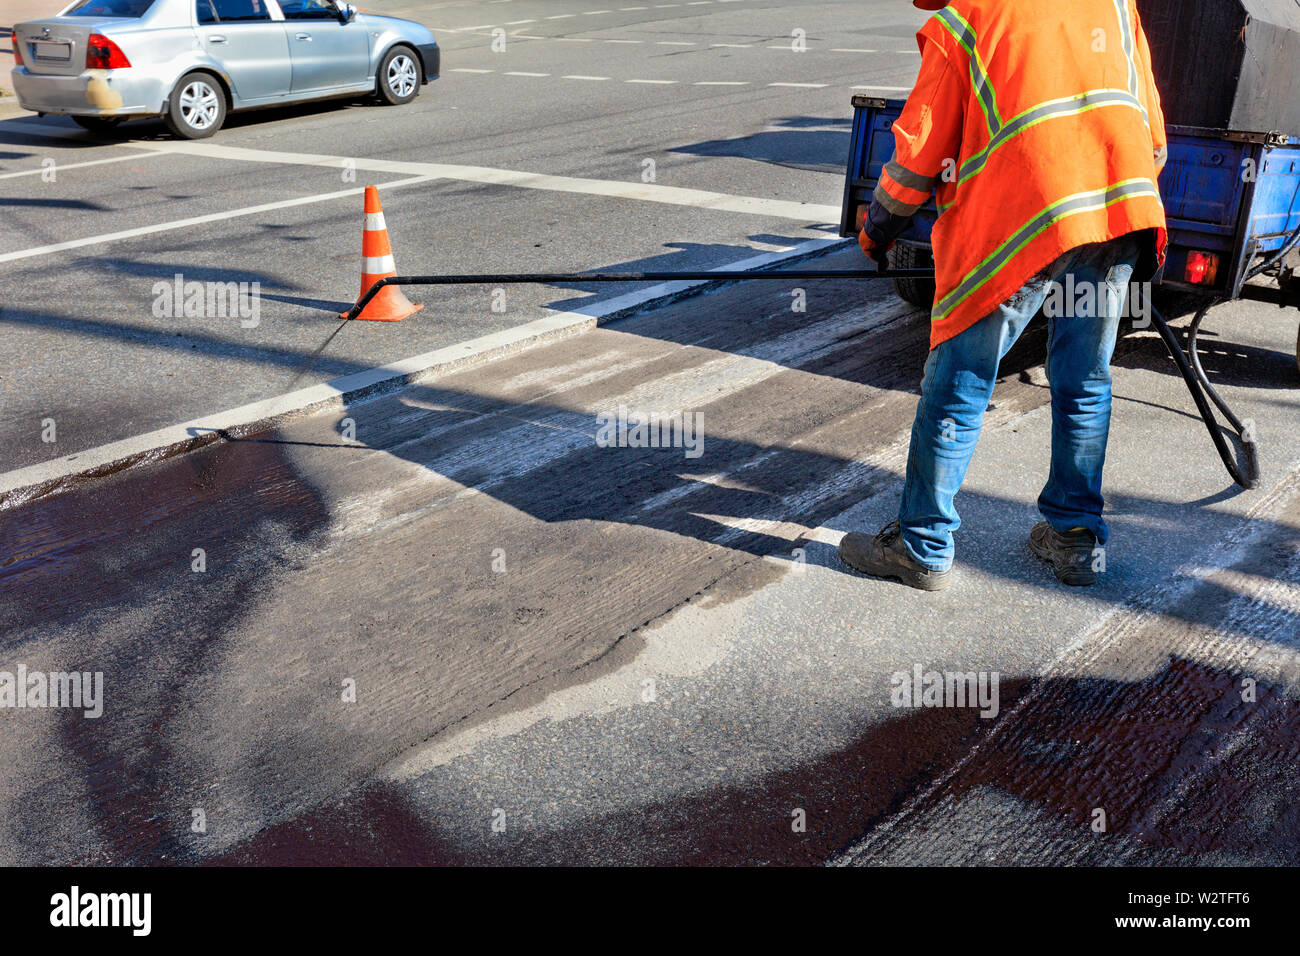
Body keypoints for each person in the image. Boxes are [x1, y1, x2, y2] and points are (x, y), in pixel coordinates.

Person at [838, 0, 1168, 591]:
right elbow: (1154, 139)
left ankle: (921, 547)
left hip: (1021, 228)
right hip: (1117, 215)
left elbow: (919, 156)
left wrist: (878, 228)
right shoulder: (1115, 6)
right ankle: (1075, 540)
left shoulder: (966, 19)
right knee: (1084, 381)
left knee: (960, 383)